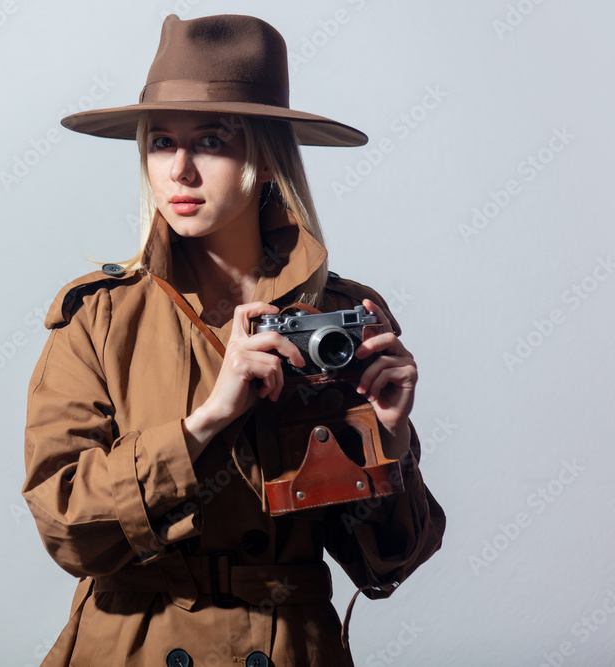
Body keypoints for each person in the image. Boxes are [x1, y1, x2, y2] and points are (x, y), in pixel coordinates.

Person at [22, 13, 445, 666]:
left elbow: (387, 565)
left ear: (265, 154)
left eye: (212, 141)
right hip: (129, 645)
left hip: (290, 646)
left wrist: (385, 446)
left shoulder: (339, 317)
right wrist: (204, 423)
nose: (180, 170)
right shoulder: (98, 318)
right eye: (161, 141)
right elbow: (67, 527)